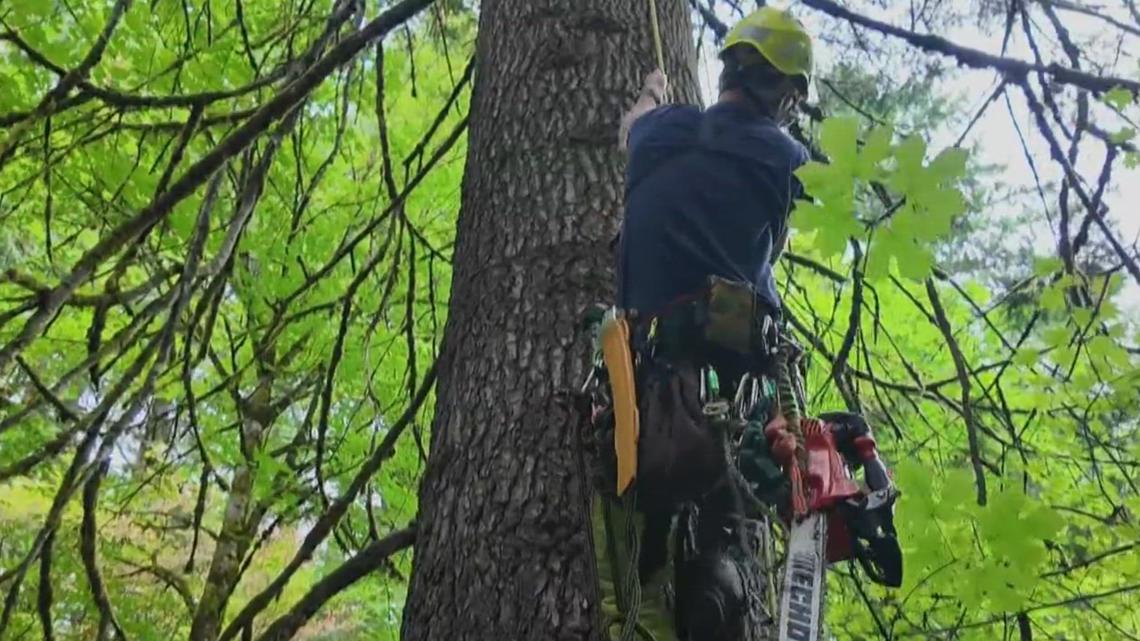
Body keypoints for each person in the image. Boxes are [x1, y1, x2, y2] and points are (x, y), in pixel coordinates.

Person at [584, 8, 817, 641]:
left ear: (726, 74)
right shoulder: (785, 156)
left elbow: (631, 130)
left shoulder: (660, 133)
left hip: (646, 398)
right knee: (725, 576)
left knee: (637, 584)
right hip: (731, 396)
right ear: (784, 92)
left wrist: (653, 95)